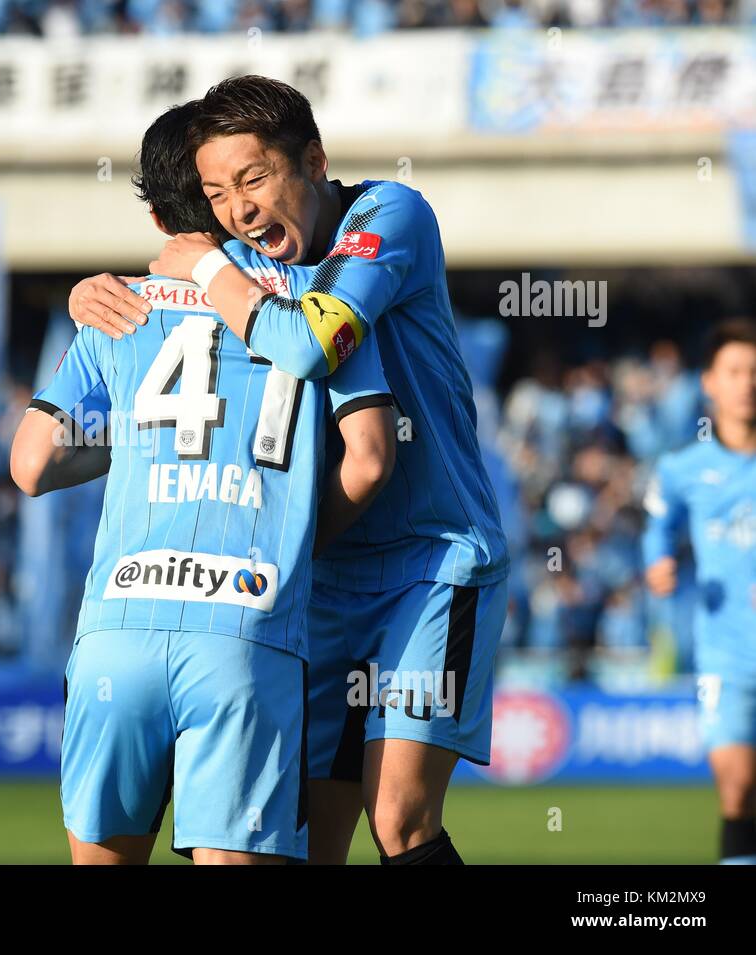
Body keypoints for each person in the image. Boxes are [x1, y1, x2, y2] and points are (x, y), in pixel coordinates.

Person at [70, 76, 510, 864]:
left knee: (399, 816)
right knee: (307, 839)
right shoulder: (249, 266)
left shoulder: (390, 214)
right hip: (318, 579)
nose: (238, 208)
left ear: (313, 160)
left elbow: (312, 341)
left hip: (430, 561)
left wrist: (206, 272)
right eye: (216, 192)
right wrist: (97, 294)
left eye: (253, 178)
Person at [10, 100, 395, 864]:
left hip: (116, 631)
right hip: (245, 631)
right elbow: (371, 456)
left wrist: (144, 439)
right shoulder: (309, 302)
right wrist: (298, 538)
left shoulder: (113, 307)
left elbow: (32, 463)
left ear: (157, 217)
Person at [644, 318, 756, 864]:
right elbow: (655, 528)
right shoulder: (683, 468)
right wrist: (657, 563)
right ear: (710, 382)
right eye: (735, 371)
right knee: (737, 790)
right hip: (726, 656)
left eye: (755, 371)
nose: (747, 383)